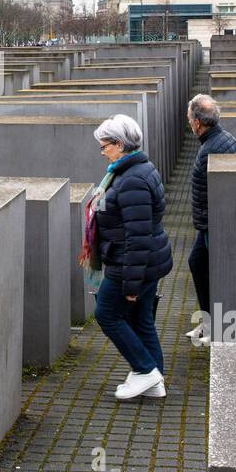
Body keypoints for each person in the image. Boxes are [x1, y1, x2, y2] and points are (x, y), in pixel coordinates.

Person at [83, 114, 174, 400]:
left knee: (107, 315)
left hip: (131, 265)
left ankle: (146, 370)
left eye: (105, 145)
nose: (102, 151)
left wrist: (131, 285)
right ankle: (155, 382)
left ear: (120, 144)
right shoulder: (134, 170)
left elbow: (137, 236)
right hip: (144, 262)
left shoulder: (132, 179)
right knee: (141, 321)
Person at [185, 94, 236, 341]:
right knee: (197, 263)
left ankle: (218, 328)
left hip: (215, 225)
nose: (189, 123)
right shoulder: (220, 140)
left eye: (189, 119)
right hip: (210, 223)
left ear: (198, 122)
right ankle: (209, 323)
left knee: (212, 272)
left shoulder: (213, 148)